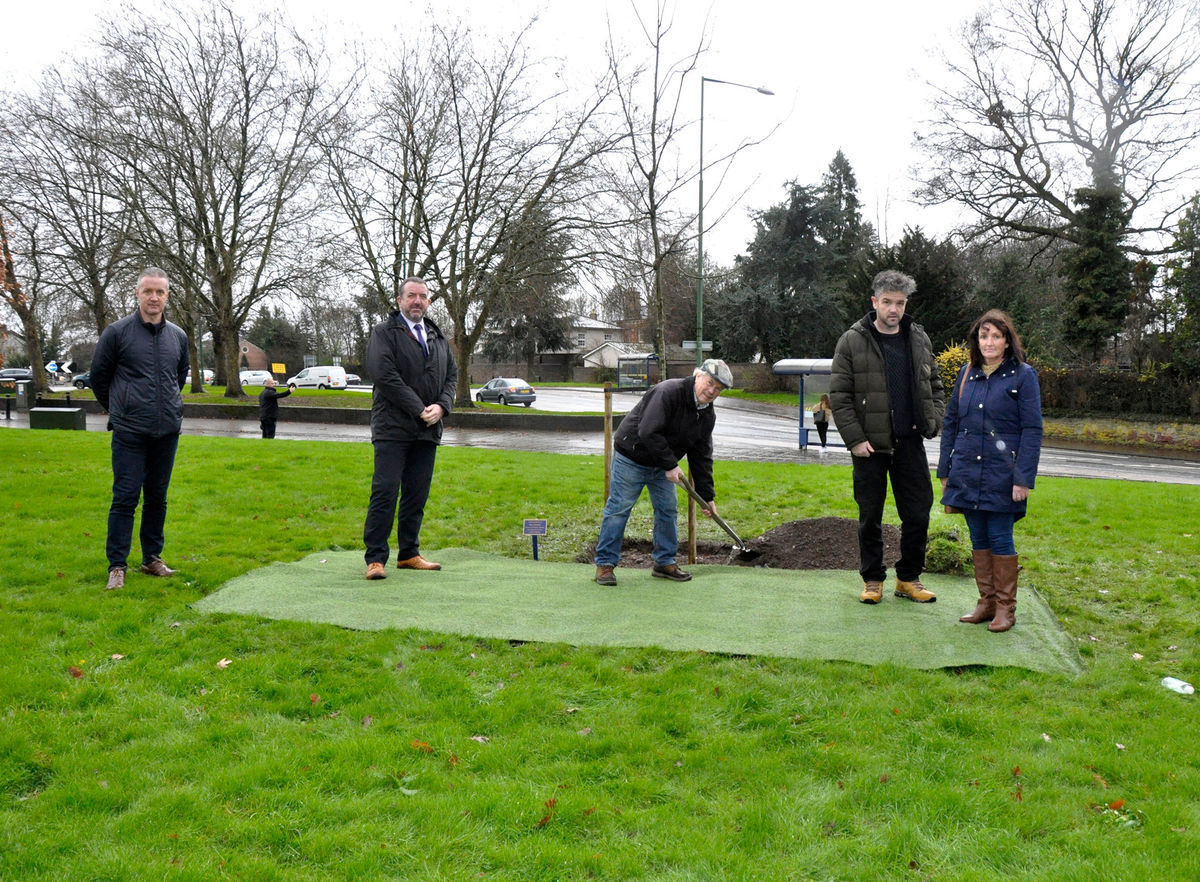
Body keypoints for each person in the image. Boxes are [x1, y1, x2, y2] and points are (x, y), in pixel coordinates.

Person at [829, 269, 945, 605]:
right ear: (874, 302)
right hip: (870, 447)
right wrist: (855, 440)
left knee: (918, 513)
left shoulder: (919, 338)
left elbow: (934, 384)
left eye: (900, 303)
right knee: (870, 516)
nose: (894, 309)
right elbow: (840, 396)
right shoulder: (852, 340)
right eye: (887, 302)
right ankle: (872, 579)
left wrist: (934, 420)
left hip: (910, 442)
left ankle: (908, 578)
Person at [939, 309, 1043, 632]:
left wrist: (1023, 478)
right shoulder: (965, 374)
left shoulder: (1024, 376)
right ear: (976, 340)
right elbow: (951, 423)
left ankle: (1005, 609)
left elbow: (1032, 429)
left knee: (1000, 538)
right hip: (967, 473)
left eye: (996, 336)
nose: (989, 342)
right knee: (979, 538)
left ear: (1007, 340)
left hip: (1004, 476)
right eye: (984, 336)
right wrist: (945, 470)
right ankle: (985, 602)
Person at [90, 266, 189, 591]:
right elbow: (99, 379)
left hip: (166, 432)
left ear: (167, 296)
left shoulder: (178, 336)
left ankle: (151, 559)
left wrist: (169, 410)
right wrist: (121, 409)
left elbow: (178, 377)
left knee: (157, 498)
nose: (154, 297)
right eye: (148, 291)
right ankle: (117, 566)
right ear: (137, 293)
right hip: (129, 432)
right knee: (125, 498)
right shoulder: (117, 333)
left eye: (160, 292)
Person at [593, 359, 733, 586]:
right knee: (619, 509)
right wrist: (670, 465)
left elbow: (701, 456)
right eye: (710, 383)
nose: (712, 391)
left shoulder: (707, 415)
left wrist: (707, 497)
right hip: (632, 456)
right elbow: (648, 431)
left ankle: (664, 562)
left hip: (662, 464)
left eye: (718, 389)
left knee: (668, 510)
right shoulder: (668, 392)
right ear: (698, 376)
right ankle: (605, 565)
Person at [362, 276, 457, 580]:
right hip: (393, 428)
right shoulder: (383, 333)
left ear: (429, 302)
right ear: (400, 300)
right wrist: (420, 409)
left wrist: (441, 407)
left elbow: (452, 376)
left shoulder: (437, 336)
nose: (418, 301)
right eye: (412, 296)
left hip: (427, 431)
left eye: (423, 296)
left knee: (416, 494)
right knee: (385, 492)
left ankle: (409, 554)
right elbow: (384, 376)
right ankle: (375, 559)